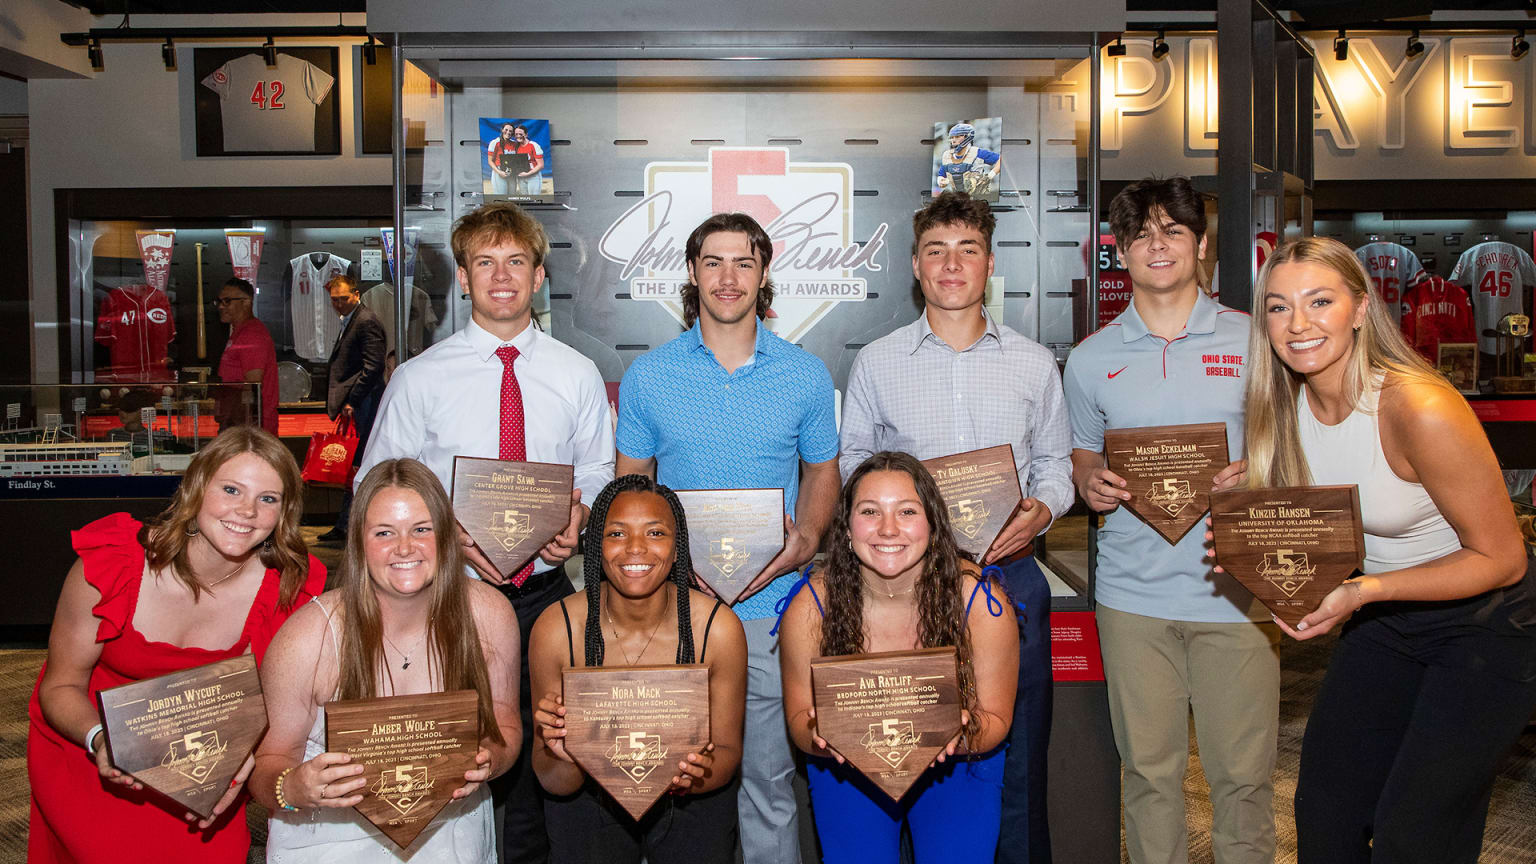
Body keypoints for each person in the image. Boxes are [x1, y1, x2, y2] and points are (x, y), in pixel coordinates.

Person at [1241, 236, 1536, 863]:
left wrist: (1364, 590)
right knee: (1325, 815)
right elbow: (1321, 529)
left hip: (1488, 626)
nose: (1298, 325)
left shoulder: (1417, 406)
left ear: (1360, 307)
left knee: (1415, 834)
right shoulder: (1284, 407)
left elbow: (1502, 558)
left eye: (1319, 301)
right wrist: (1260, 553)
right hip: (1384, 621)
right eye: (1277, 307)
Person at [356, 200, 613, 864]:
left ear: (537, 276)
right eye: (485, 263)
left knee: (548, 750)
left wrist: (579, 521)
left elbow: (598, 470)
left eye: (517, 262)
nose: (502, 277)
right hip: (449, 599)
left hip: (547, 596)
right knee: (456, 754)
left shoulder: (575, 373)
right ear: (464, 279)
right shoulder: (418, 379)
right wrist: (442, 534)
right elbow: (376, 486)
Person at [839, 190, 1070, 863]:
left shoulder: (1031, 362)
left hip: (1009, 576)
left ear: (989, 264)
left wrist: (1043, 510)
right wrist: (894, 519)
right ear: (915, 265)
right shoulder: (878, 362)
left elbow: (1056, 463)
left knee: (1018, 757)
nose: (951, 264)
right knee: (904, 751)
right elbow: (853, 463)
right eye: (936, 251)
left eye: (967, 250)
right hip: (906, 588)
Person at [1061, 176, 1278, 864]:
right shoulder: (1092, 359)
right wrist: (1087, 482)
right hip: (1133, 600)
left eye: (1173, 231)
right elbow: (1082, 455)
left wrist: (1261, 473)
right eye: (1140, 235)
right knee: (1150, 779)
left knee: (1242, 781)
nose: (1157, 246)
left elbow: (1294, 450)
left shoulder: (1256, 342)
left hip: (1238, 595)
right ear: (1120, 252)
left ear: (1201, 244)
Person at [616, 211, 839, 864]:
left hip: (772, 613)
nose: (728, 277)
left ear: (765, 274)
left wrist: (811, 535)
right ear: (691, 273)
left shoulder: (803, 374)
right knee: (672, 788)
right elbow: (630, 496)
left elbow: (823, 473)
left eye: (744, 262)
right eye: (713, 262)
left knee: (769, 788)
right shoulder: (649, 377)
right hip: (676, 616)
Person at [27, 426, 326, 864]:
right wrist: (99, 740)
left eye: (268, 498)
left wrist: (250, 756)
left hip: (203, 763)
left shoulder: (289, 592)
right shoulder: (113, 565)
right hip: (91, 754)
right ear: (197, 489)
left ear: (284, 512)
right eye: (231, 489)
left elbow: (273, 705)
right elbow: (60, 686)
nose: (246, 511)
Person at [253, 458, 521, 860]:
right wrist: (292, 788)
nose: (404, 548)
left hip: (450, 836)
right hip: (332, 841)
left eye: (421, 529)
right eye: (384, 532)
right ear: (359, 542)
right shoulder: (310, 637)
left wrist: (490, 760)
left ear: (447, 535)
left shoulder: (488, 614)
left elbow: (505, 724)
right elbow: (267, 763)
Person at [776, 451, 1018, 863]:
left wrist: (959, 735)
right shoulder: (812, 605)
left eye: (907, 511)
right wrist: (820, 734)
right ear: (847, 527)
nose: (888, 529)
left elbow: (995, 719)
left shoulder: (978, 601)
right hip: (847, 767)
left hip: (957, 765)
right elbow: (800, 722)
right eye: (870, 511)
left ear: (932, 524)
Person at [529, 474, 747, 862]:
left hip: (687, 802)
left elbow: (727, 754)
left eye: (655, 533)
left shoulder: (718, 628)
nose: (635, 549)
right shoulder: (556, 628)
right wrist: (563, 754)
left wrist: (694, 777)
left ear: (678, 548)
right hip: (588, 799)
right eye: (616, 534)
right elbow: (553, 782)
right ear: (595, 546)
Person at [318, 274, 386, 544]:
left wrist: (352, 400)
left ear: (356, 295)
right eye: (334, 300)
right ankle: (346, 523)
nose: (338, 305)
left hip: (363, 402)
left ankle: (349, 524)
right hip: (360, 401)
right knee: (354, 465)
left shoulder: (365, 320)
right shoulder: (356, 319)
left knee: (358, 464)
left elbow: (373, 366)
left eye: (343, 299)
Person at [214, 277, 280, 435]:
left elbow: (252, 386)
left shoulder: (252, 334)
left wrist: (239, 427)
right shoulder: (240, 331)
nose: (221, 307)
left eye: (227, 301)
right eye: (219, 301)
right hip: (240, 425)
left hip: (250, 429)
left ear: (246, 302)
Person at [936, 123, 1001, 199]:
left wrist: (989, 176)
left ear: (967, 137)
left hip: (978, 198)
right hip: (958, 199)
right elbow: (941, 174)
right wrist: (940, 180)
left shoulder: (978, 153)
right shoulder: (947, 156)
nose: (953, 140)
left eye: (957, 137)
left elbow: (1001, 160)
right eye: (952, 137)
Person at [487, 123, 546, 197]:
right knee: (501, 196)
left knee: (512, 195)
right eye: (506, 130)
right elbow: (490, 161)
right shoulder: (495, 142)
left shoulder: (515, 144)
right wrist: (499, 172)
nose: (508, 132)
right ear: (502, 130)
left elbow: (540, 164)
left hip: (514, 172)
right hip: (500, 171)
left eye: (510, 131)